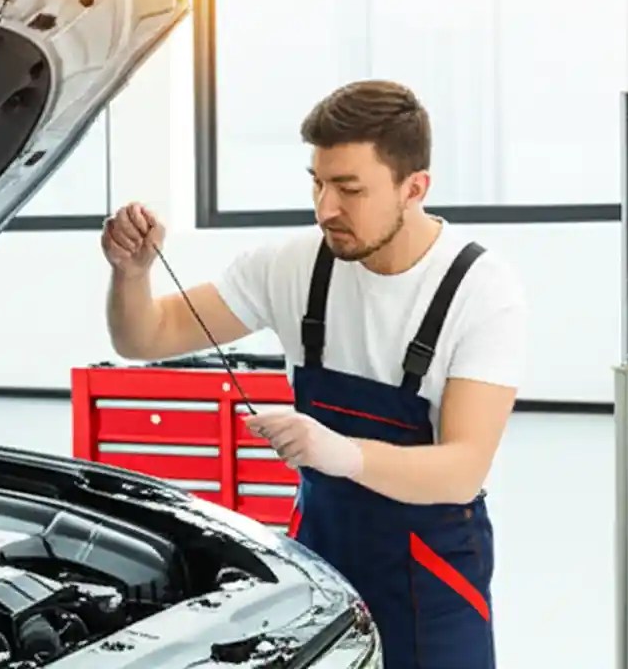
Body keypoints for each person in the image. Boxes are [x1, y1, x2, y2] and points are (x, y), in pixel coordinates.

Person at [100, 79, 526, 669]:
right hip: (320, 556)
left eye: (349, 189)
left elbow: (461, 469)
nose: (326, 207)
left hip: (432, 578)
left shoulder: (480, 291)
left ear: (414, 188)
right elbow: (143, 336)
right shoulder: (292, 266)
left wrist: (342, 452)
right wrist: (132, 273)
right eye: (318, 182)